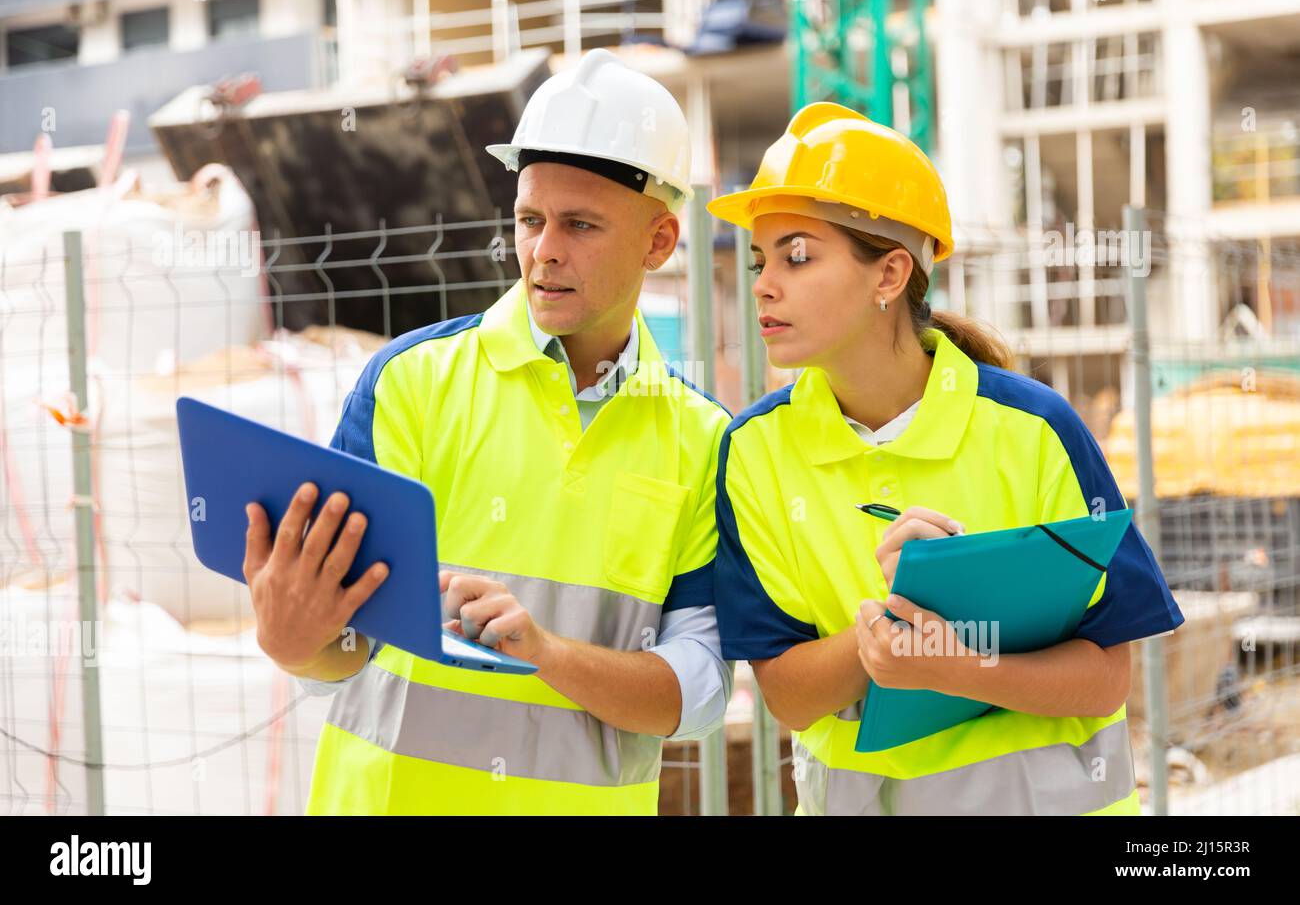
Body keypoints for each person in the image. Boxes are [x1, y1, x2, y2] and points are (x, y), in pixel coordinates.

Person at [241, 49, 733, 814]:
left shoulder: (702, 439)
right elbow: (338, 649)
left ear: (660, 242)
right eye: (530, 221)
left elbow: (697, 695)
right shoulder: (410, 384)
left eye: (581, 225)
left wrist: (546, 654)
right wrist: (290, 638)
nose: (544, 252)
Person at [706, 102, 1184, 815]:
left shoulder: (1034, 428)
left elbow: (1107, 678)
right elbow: (787, 694)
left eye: (797, 256)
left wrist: (958, 664)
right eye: (760, 259)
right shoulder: (753, 453)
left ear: (890, 275)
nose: (764, 284)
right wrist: (887, 632)